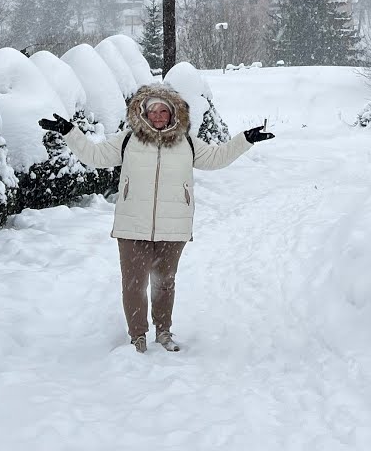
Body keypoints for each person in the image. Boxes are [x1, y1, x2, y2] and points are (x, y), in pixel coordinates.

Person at [38, 83, 274, 353]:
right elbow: (94, 155)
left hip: (173, 226)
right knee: (134, 285)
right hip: (132, 225)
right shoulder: (127, 140)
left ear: (174, 114)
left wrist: (246, 139)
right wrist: (70, 132)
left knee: (164, 283)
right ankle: (137, 336)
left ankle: (163, 331)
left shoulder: (187, 142)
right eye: (153, 111)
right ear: (143, 113)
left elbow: (217, 158)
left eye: (164, 110)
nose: (159, 116)